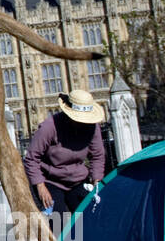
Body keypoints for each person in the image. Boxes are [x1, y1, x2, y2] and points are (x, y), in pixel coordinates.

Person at [23, 88, 106, 219]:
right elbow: (31, 158)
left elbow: (97, 155)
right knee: (57, 223)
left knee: (89, 216)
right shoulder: (49, 127)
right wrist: (40, 185)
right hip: (51, 181)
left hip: (78, 180)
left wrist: (97, 180)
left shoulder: (92, 127)